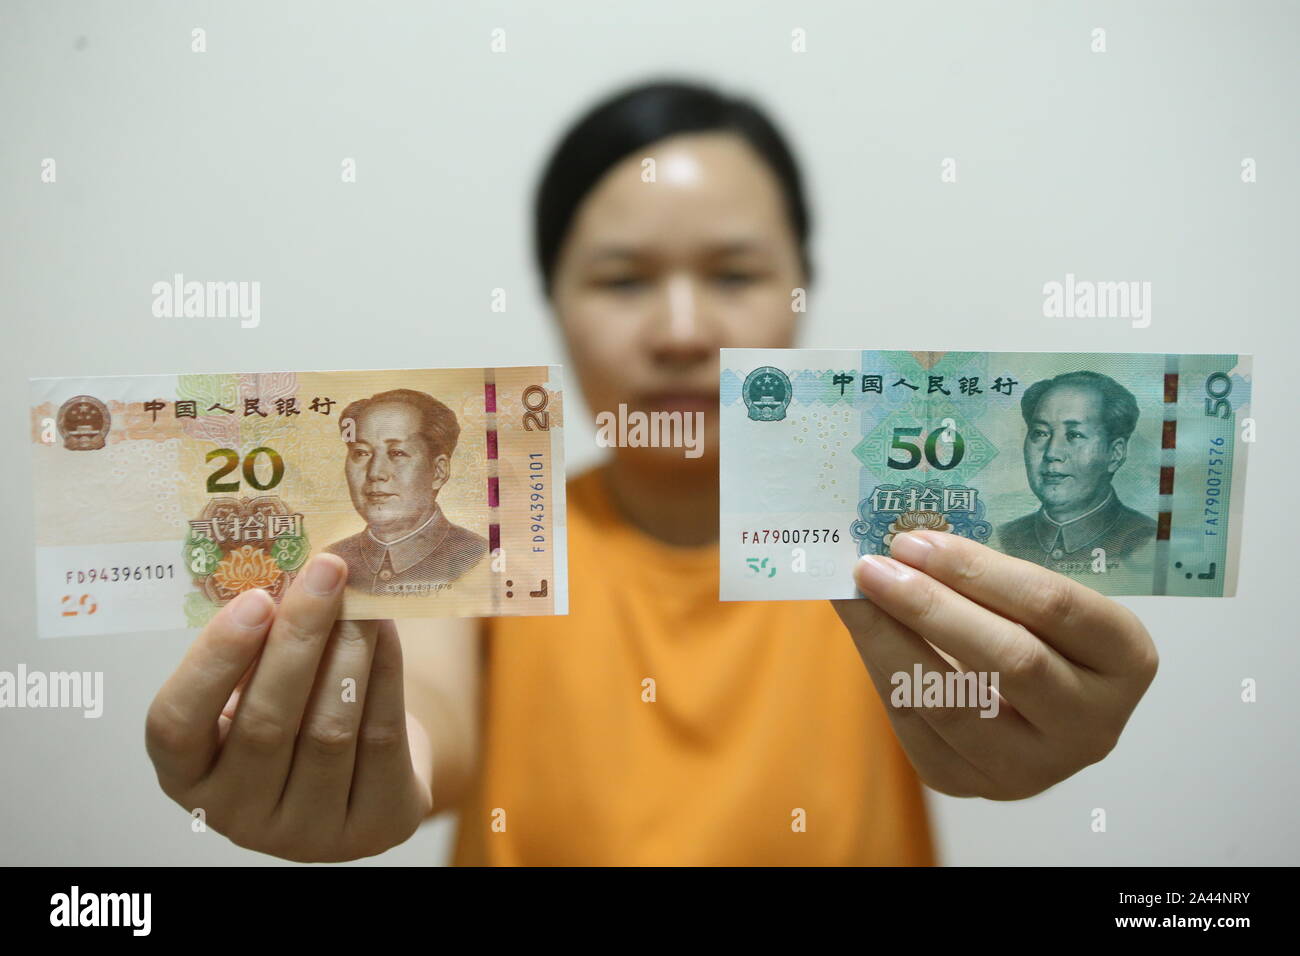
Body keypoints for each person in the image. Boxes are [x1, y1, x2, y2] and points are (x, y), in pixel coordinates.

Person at [145, 80, 1158, 865]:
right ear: (554, 301)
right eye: (623, 280)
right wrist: (344, 762)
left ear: (801, 287)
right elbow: (429, 725)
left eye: (734, 273)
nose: (681, 331)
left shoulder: (907, 540)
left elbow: (991, 703)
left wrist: (1037, 710)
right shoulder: (496, 531)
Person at [325, 388, 487, 594]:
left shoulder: (479, 558)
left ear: (438, 471)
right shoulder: (330, 558)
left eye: (397, 453)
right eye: (361, 453)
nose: (375, 473)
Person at [997, 371, 1157, 568]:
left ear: (1115, 454)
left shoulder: (1148, 541)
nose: (1052, 453)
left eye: (1074, 435)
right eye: (1040, 433)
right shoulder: (1002, 539)